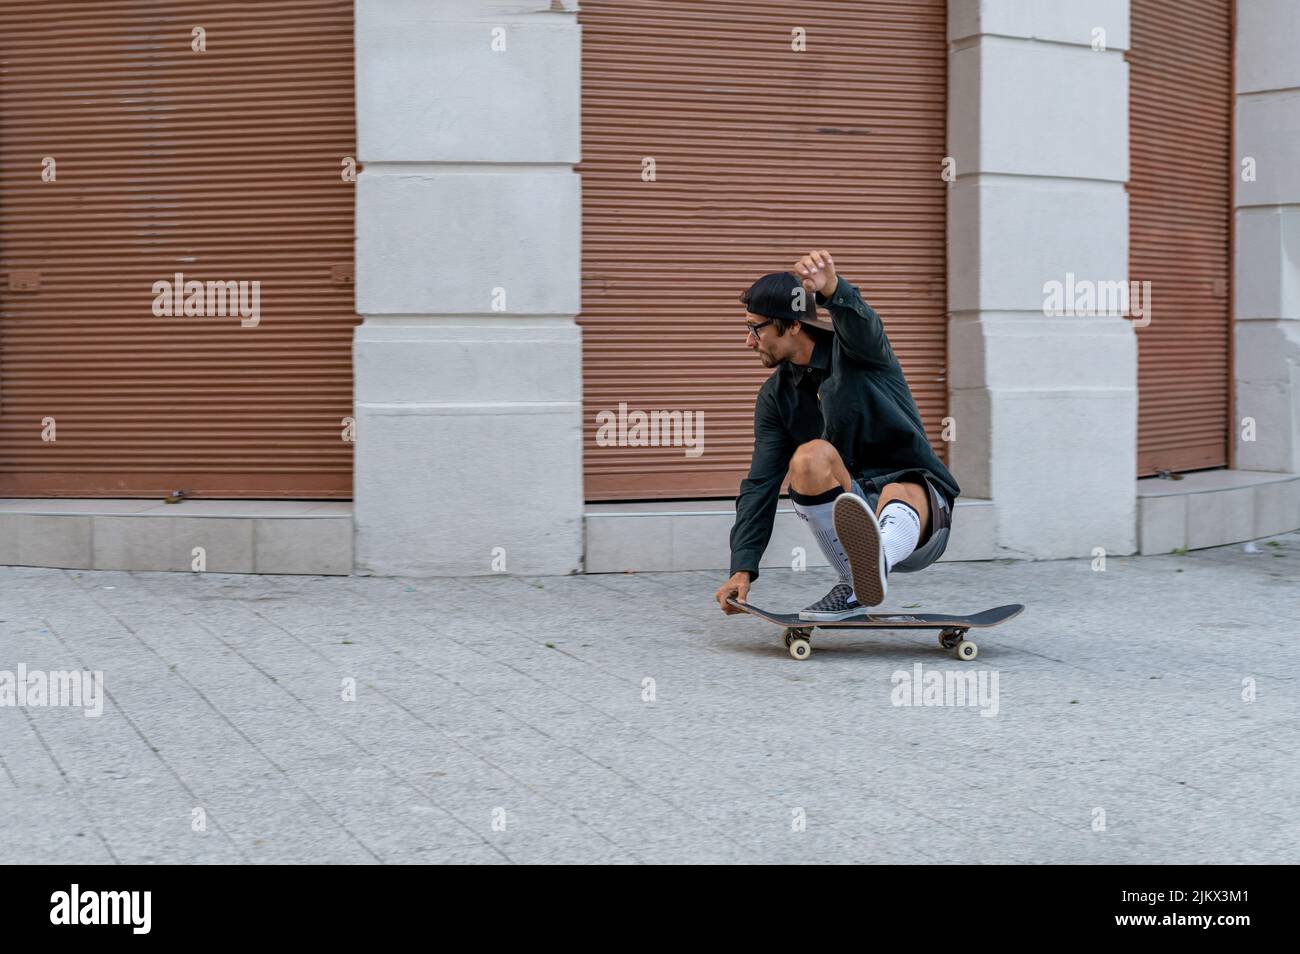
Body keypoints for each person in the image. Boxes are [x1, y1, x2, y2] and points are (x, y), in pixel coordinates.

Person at [714, 250, 960, 621]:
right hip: (854, 506)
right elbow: (759, 485)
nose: (749, 341)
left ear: (793, 324)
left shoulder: (862, 353)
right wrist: (742, 567)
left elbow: (864, 324)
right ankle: (858, 580)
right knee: (810, 458)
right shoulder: (774, 399)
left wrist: (834, 289)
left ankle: (873, 564)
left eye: (755, 328)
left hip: (922, 515)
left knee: (897, 490)